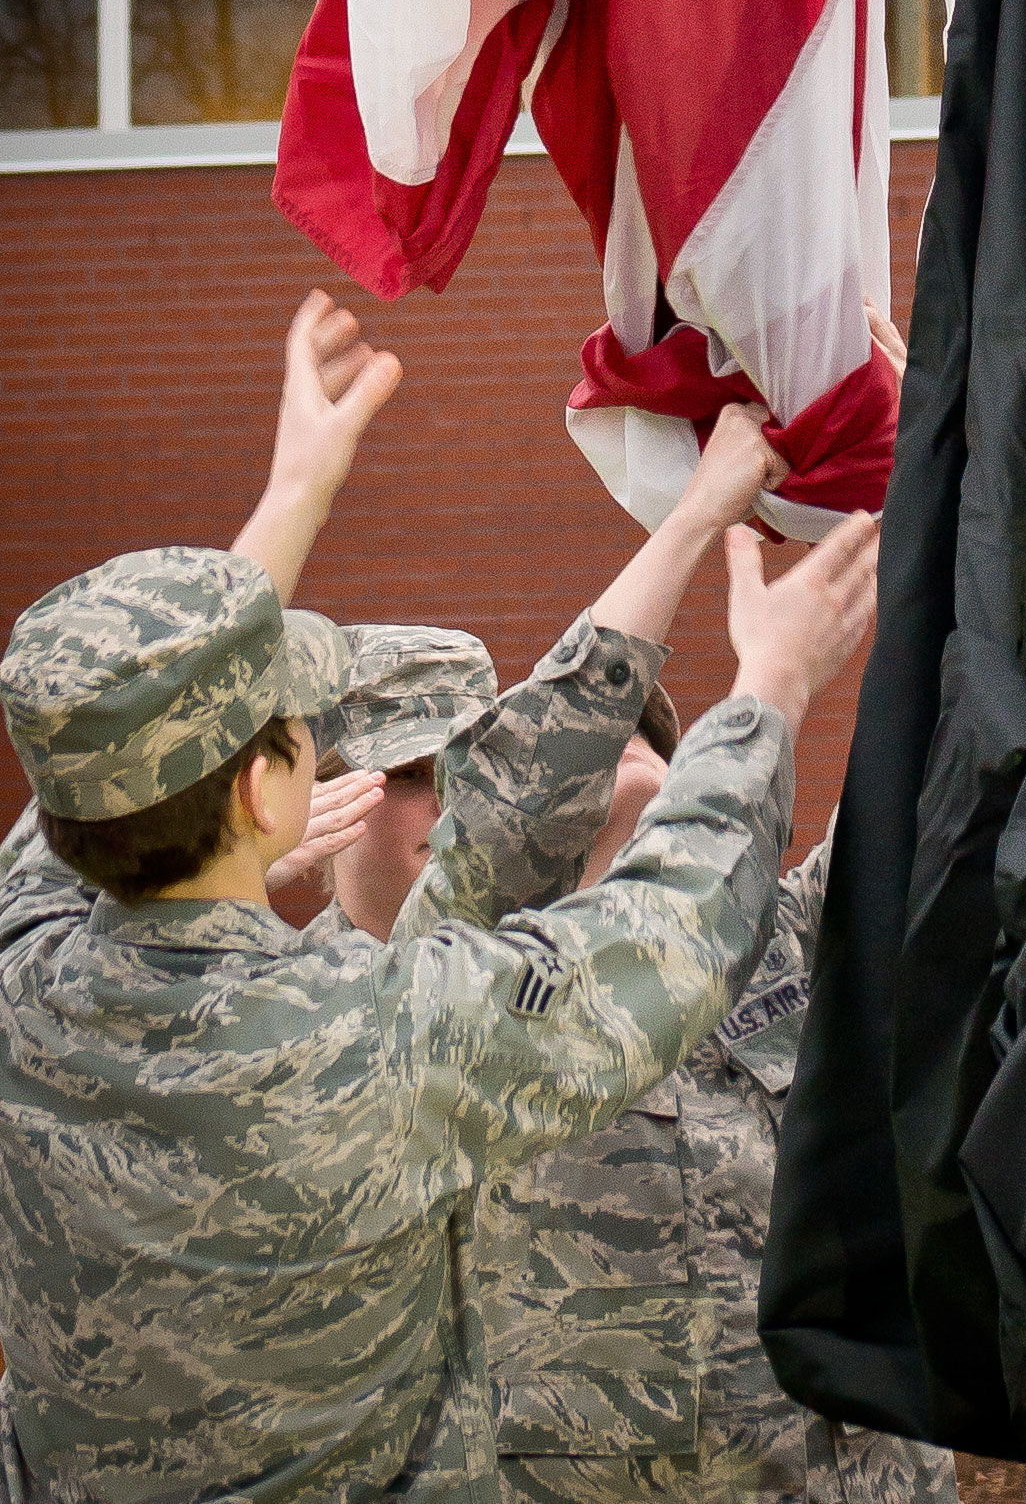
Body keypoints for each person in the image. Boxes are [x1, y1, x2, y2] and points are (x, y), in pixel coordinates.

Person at [0, 290, 879, 1503]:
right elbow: (667, 934)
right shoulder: (369, 1036)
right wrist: (770, 688)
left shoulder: (25, 978)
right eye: (301, 731)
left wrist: (298, 485)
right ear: (267, 793)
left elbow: (142, 737)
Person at [313, 319, 960, 1503]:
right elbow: (497, 828)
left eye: (651, 749)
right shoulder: (452, 987)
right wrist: (703, 525)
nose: (629, 776)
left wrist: (947, 498)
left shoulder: (774, 931)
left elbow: (939, 790)